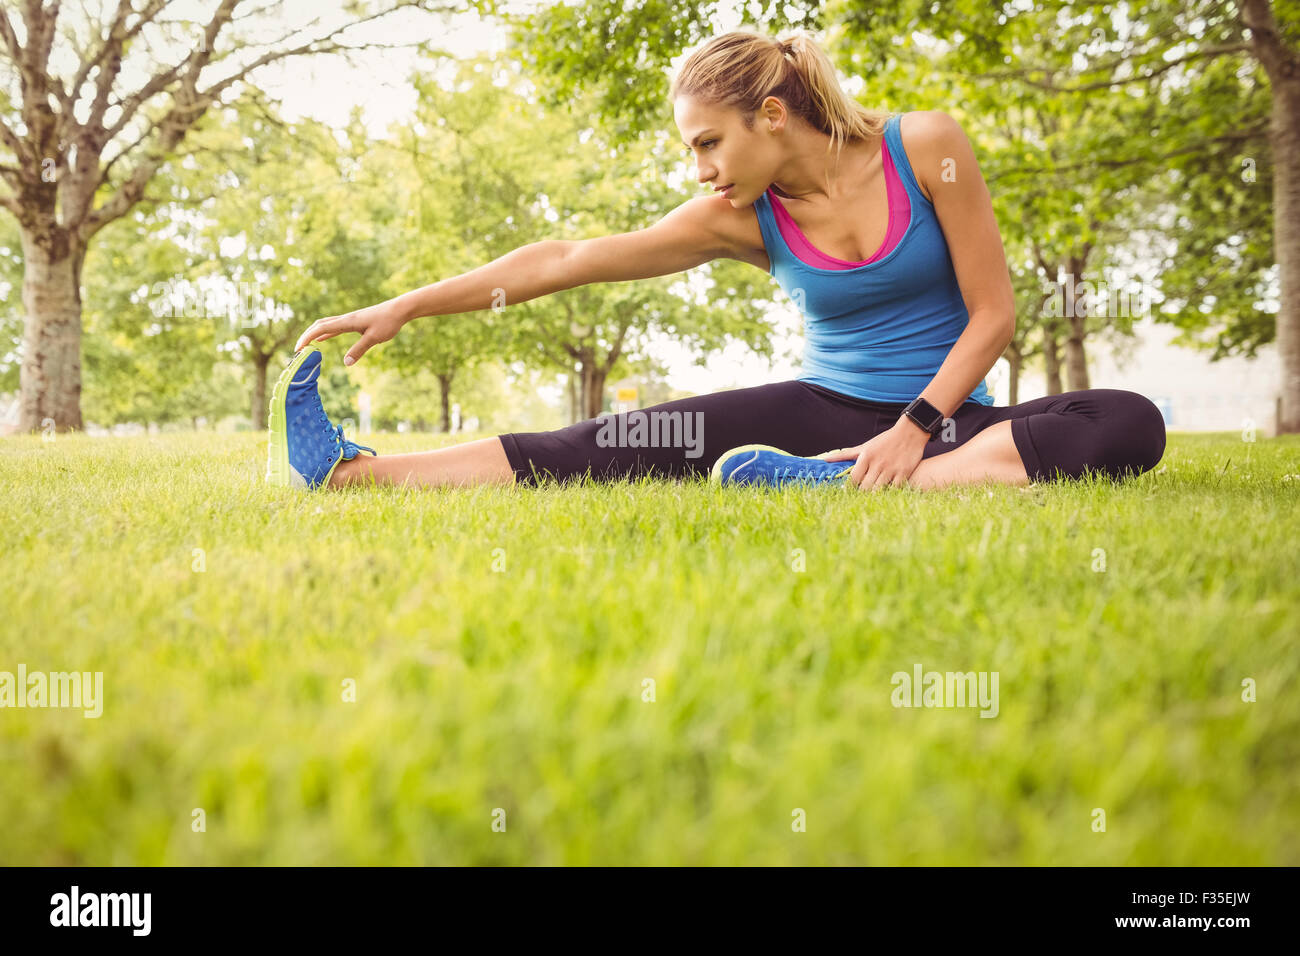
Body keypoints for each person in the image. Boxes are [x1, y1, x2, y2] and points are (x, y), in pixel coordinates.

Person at [268, 28, 1165, 493]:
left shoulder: (926, 145)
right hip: (820, 411)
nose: (697, 169)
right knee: (620, 440)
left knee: (1128, 420)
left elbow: (994, 316)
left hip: (946, 420)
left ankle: (860, 488)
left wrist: (913, 429)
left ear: (772, 116)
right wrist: (410, 305)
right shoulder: (739, 218)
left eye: (707, 144)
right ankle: (357, 475)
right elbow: (567, 257)